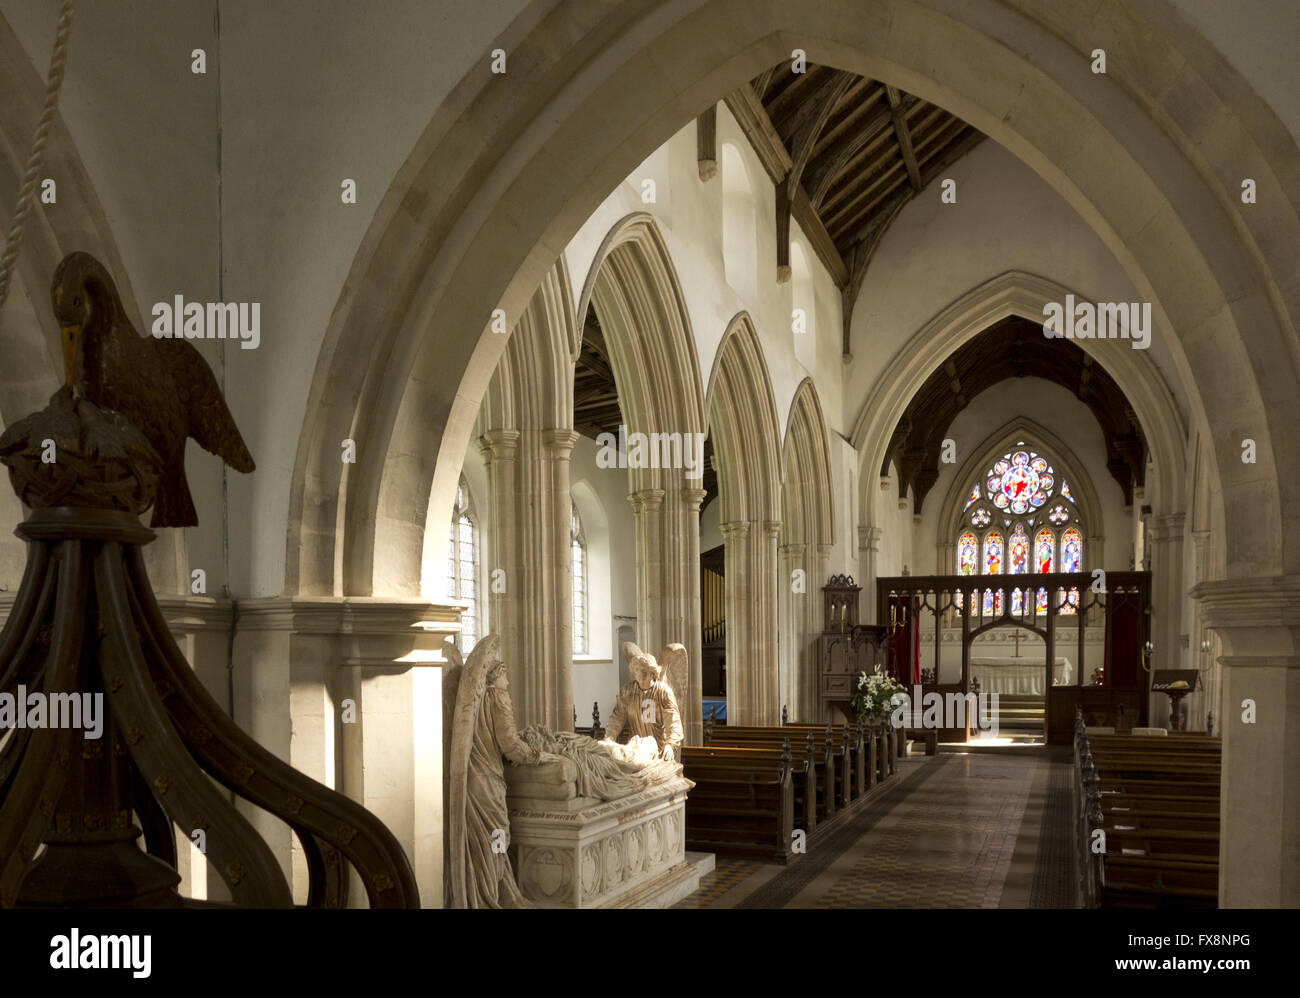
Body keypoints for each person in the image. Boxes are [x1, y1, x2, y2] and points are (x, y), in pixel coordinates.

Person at [603, 644, 684, 762]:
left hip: (658, 749)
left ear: (653, 672)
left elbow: (674, 721)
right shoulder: (628, 692)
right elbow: (617, 717)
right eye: (637, 670)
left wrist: (670, 745)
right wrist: (609, 737)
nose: (640, 674)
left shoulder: (663, 692)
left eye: (644, 671)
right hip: (635, 748)